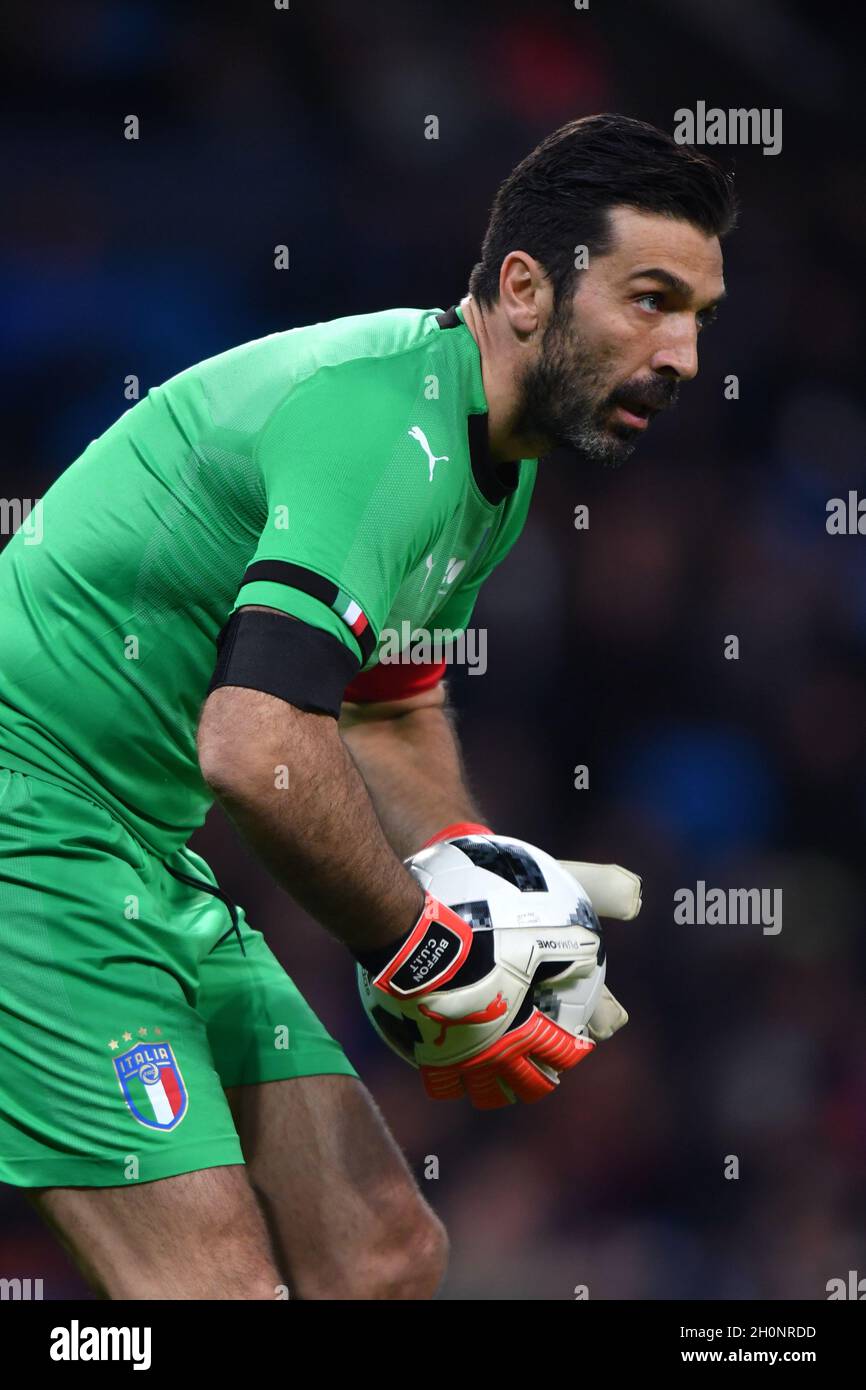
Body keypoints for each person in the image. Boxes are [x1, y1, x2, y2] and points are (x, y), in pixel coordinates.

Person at [0, 113, 735, 1299]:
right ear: (524, 289)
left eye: (697, 315)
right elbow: (253, 745)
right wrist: (424, 947)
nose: (683, 354)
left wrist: (480, 875)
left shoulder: (493, 461)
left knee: (382, 1255)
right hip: (28, 834)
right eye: (650, 301)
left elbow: (384, 706)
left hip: (141, 852)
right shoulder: (382, 429)